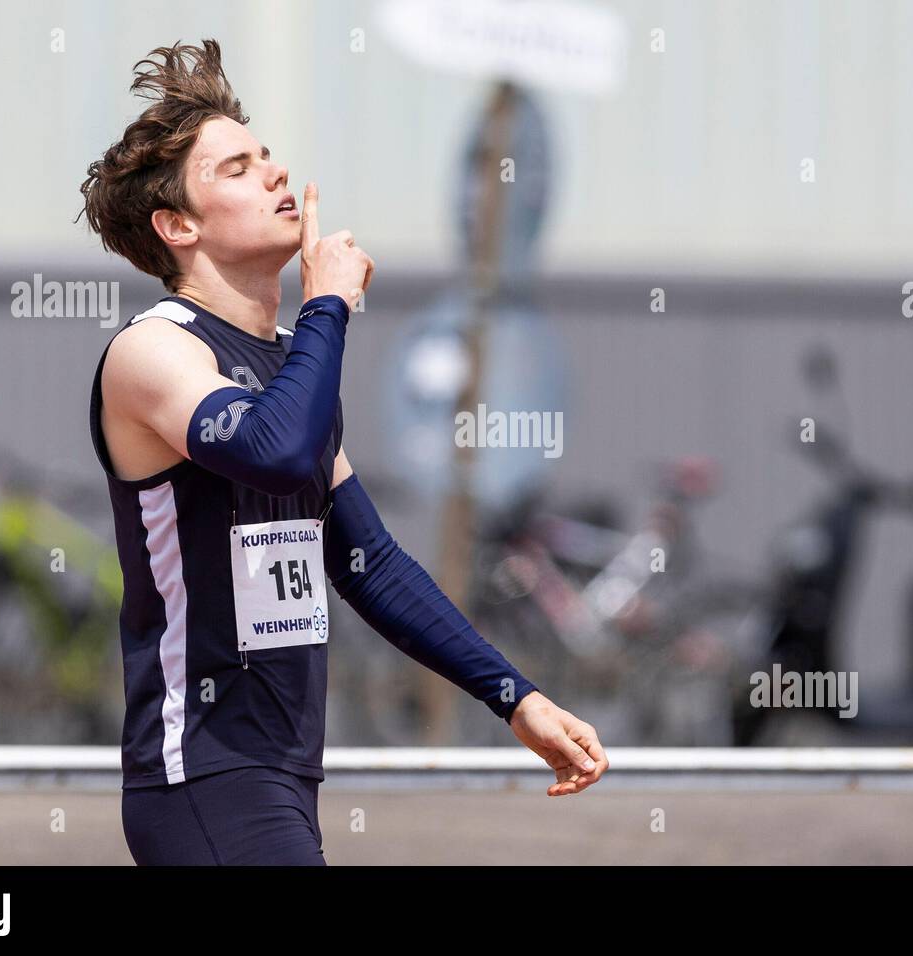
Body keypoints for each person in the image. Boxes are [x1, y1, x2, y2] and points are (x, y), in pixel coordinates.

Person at [78, 39, 608, 865]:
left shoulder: (292, 357)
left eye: (266, 156)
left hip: (284, 772)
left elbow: (369, 562)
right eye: (237, 169)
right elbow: (278, 452)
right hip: (204, 774)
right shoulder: (155, 352)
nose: (275, 173)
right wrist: (328, 304)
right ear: (178, 225)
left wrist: (517, 699)